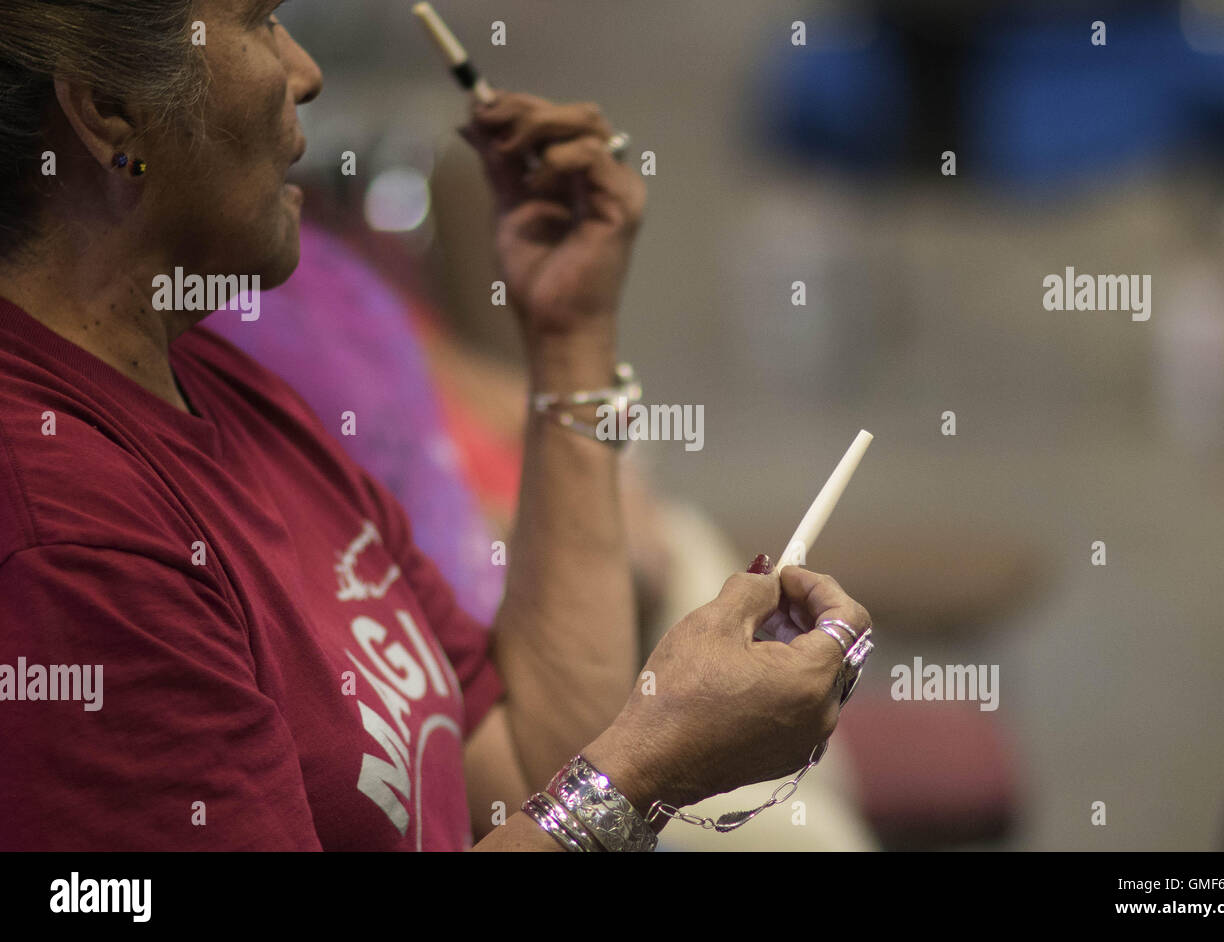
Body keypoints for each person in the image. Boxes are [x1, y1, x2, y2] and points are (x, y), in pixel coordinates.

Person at [0, 1, 871, 851]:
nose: (306, 73)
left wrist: (569, 333)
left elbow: (527, 766)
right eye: (262, 21)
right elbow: (582, 785)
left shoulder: (223, 389)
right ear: (109, 110)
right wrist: (650, 770)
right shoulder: (65, 547)